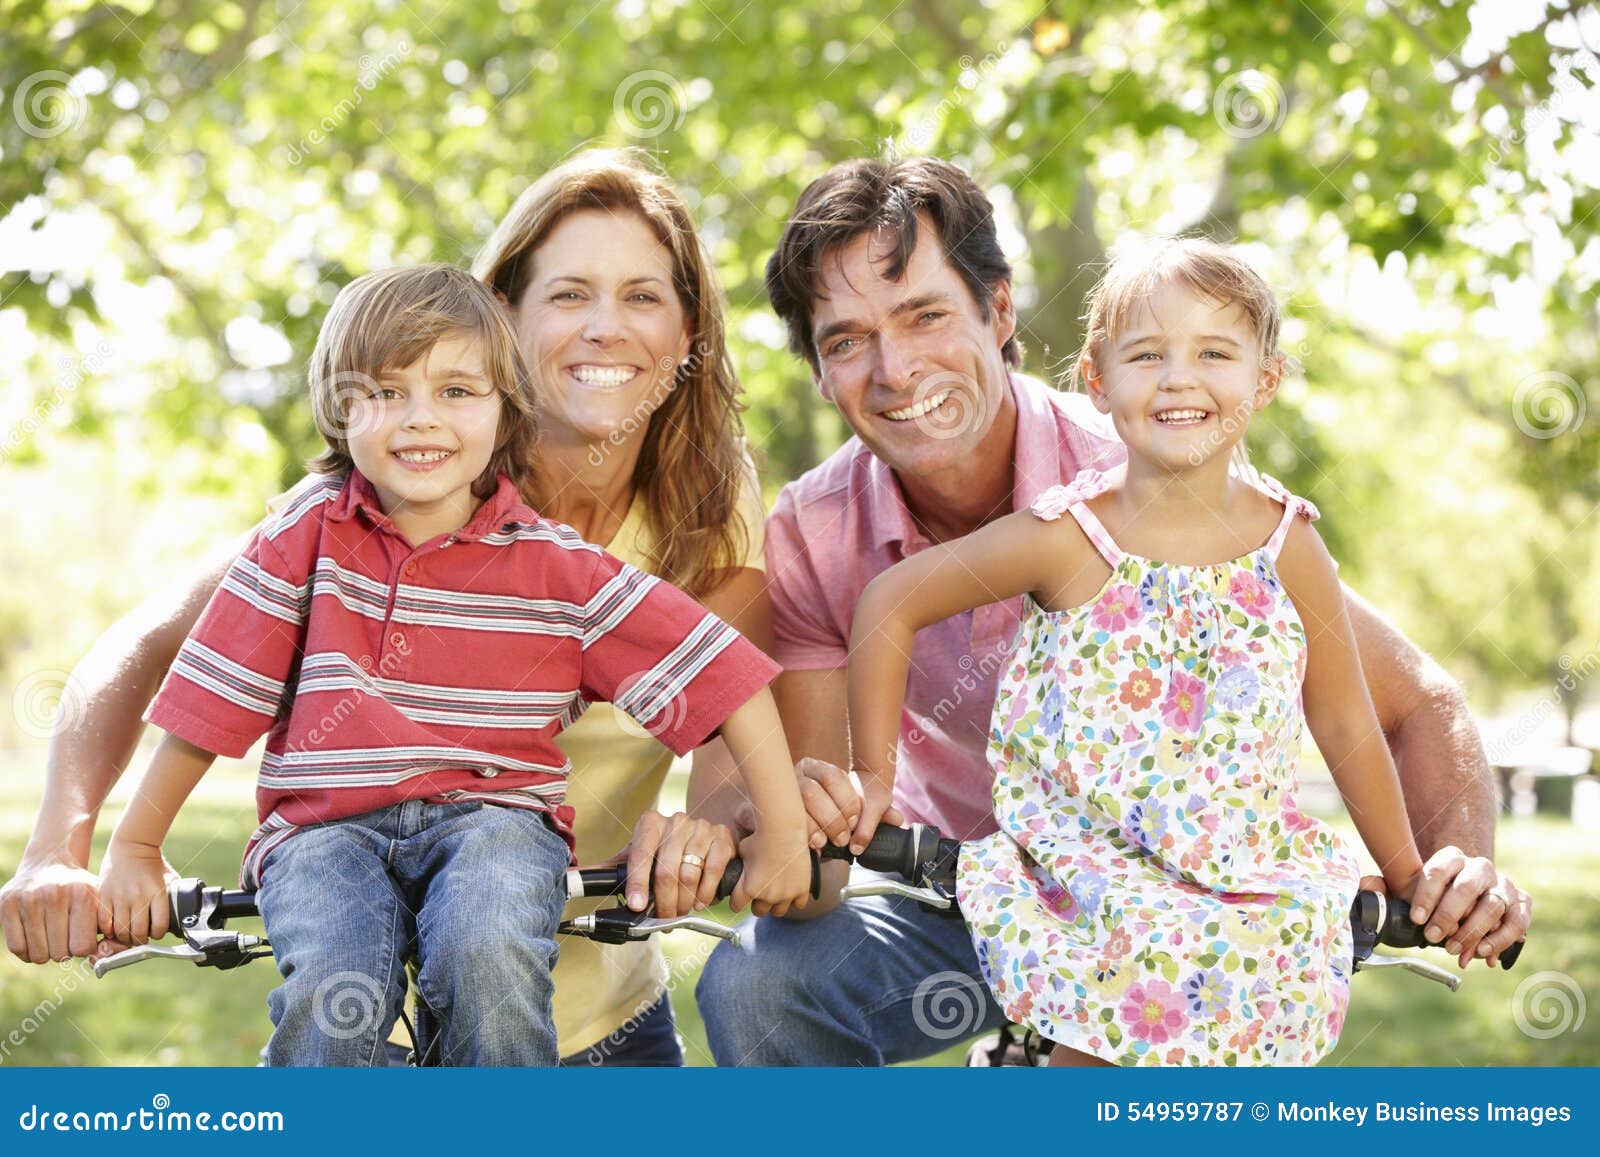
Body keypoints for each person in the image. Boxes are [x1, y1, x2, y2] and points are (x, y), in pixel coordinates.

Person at [695, 156, 1532, 1066]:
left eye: (925, 315)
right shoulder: (815, 530)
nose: (896, 369)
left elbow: (1415, 703)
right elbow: (827, 867)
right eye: (848, 340)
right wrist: (807, 817)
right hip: (965, 891)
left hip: (1189, 904)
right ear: (820, 372)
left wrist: (1450, 874)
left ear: (1000, 312)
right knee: (758, 983)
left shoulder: (1155, 461)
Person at [1, 150, 778, 1065]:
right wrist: (63, 847)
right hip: (365, 996)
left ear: (689, 332)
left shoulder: (708, 503)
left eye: (642, 296)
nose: (606, 327)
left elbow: (727, 723)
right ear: (504, 320)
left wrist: (724, 824)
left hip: (602, 1014)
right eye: (570, 294)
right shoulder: (362, 501)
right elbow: (152, 651)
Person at [844, 237, 1453, 1066]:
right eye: (1146, 355)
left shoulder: (1290, 545)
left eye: (1215, 353)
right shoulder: (1067, 537)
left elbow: (1345, 720)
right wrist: (873, 779)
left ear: (1265, 380)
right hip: (1087, 876)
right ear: (1097, 380)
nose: (1178, 378)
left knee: (1267, 983)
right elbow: (889, 602)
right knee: (1114, 1024)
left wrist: (1406, 871)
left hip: (1245, 879)